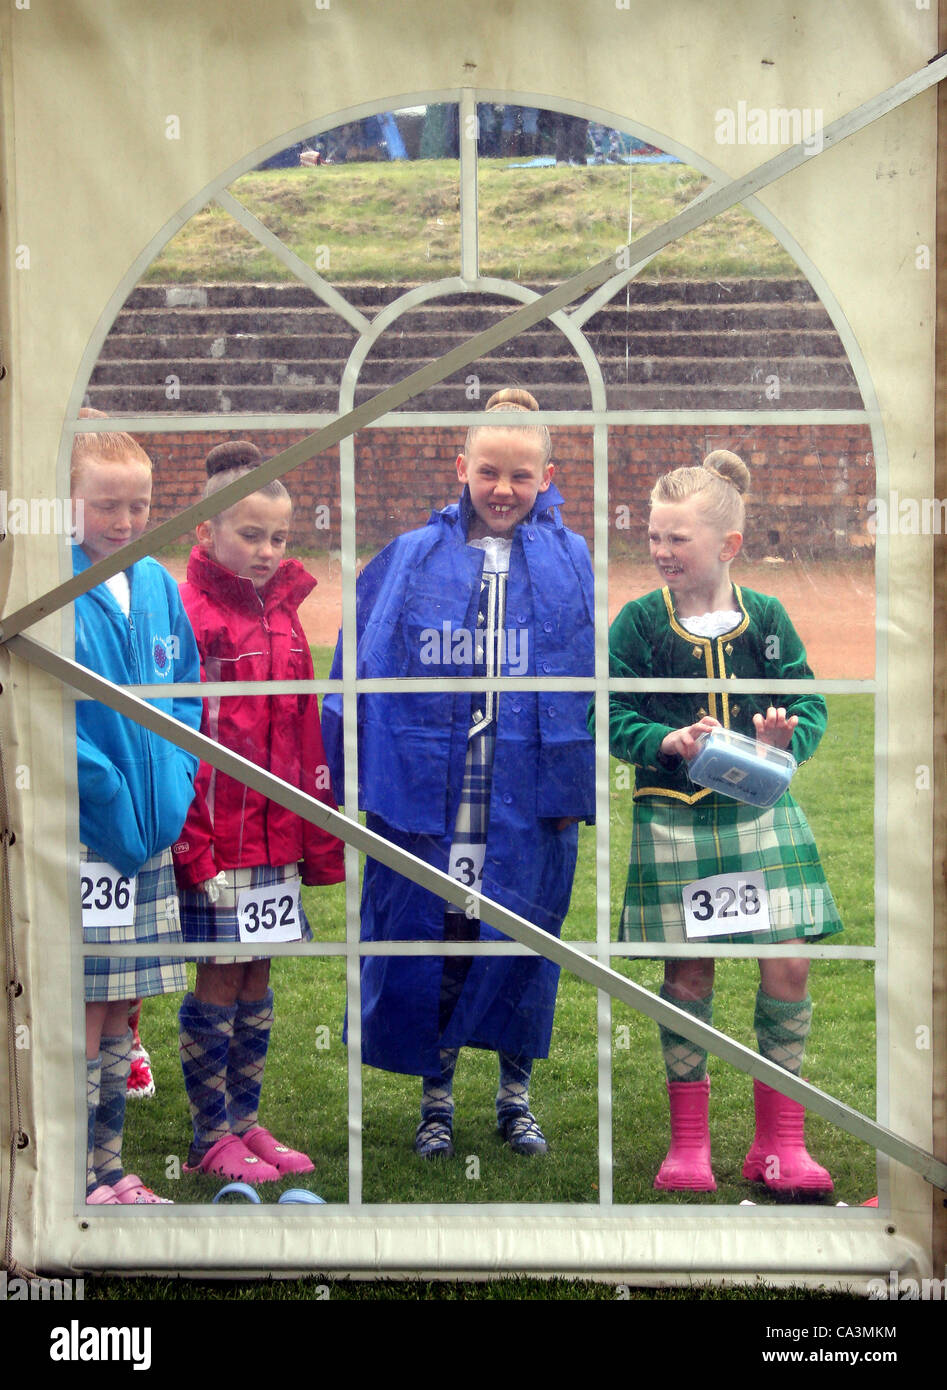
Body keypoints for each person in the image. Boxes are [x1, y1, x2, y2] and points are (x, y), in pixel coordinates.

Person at [323, 389, 595, 1158]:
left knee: (522, 939)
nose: (502, 489)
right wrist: (366, 775)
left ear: (546, 474)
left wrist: (571, 782)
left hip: (528, 793)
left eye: (519, 475)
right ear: (460, 469)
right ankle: (435, 1099)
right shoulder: (415, 553)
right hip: (438, 795)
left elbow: (581, 678)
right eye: (487, 472)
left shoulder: (569, 558)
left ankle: (516, 1099)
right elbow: (364, 663)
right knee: (442, 938)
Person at [602, 451, 841, 1195]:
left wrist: (782, 740)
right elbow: (605, 714)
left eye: (677, 539)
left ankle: (779, 1144)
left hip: (762, 819)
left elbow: (808, 702)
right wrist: (667, 744)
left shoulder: (767, 618)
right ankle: (689, 1145)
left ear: (727, 546)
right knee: (689, 973)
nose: (660, 551)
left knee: (789, 962)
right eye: (653, 536)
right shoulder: (638, 623)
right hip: (673, 824)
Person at [172, 441, 344, 1184]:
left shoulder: (287, 617)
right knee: (219, 978)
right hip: (216, 844)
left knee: (258, 983)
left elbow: (304, 735)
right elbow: (176, 740)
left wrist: (315, 840)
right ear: (205, 530)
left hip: (274, 842)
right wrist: (193, 846)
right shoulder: (187, 613)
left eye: (280, 537)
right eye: (251, 535)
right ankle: (209, 1134)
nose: (269, 551)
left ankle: (245, 1119)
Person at [73, 409, 203, 1204]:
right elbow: (44, 713)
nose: (125, 522)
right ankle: (65, 1175)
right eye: (107, 505)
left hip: (151, 838)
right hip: (87, 839)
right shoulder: (43, 585)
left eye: (139, 505)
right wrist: (111, 793)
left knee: (123, 1007)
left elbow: (184, 693)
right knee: (80, 1010)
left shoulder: (155, 582)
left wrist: (177, 779)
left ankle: (110, 1169)